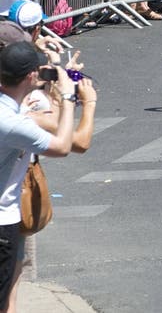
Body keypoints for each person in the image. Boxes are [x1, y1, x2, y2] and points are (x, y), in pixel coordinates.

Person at [0, 42, 89, 310]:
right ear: (30, 77)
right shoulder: (12, 122)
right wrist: (69, 96)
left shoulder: (13, 114)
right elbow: (63, 146)